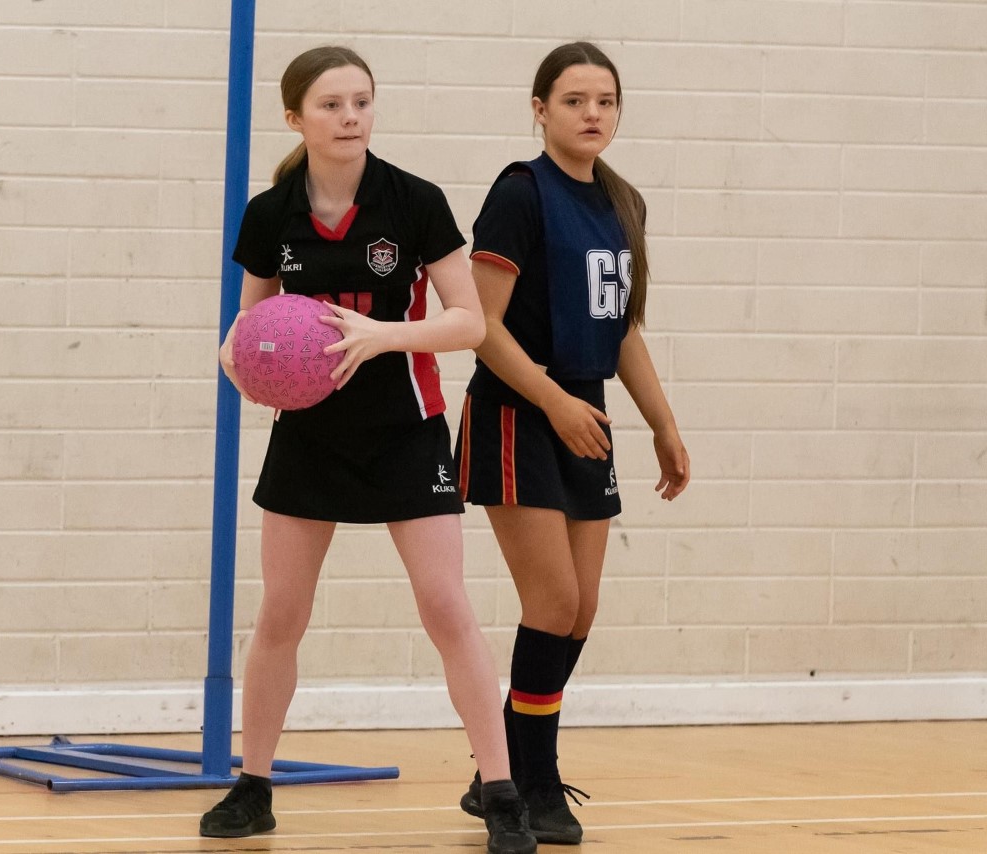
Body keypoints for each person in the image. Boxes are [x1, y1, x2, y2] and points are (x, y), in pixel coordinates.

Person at [200, 46, 536, 854]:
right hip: (309, 434)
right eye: (331, 105)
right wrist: (238, 360)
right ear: (295, 118)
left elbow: (469, 322)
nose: (350, 117)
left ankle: (500, 791)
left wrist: (383, 336)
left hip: (405, 429)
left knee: (446, 606)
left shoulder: (413, 201)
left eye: (361, 102)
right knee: (281, 613)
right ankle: (254, 786)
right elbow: (248, 327)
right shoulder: (270, 213)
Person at [453, 41, 690, 845]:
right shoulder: (520, 194)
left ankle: (503, 765)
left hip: (584, 410)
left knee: (581, 608)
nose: (593, 113)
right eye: (575, 100)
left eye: (606, 101)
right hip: (521, 407)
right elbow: (481, 326)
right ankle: (530, 781)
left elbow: (622, 330)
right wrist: (553, 401)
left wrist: (663, 423)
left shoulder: (621, 203)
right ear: (540, 109)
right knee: (552, 601)